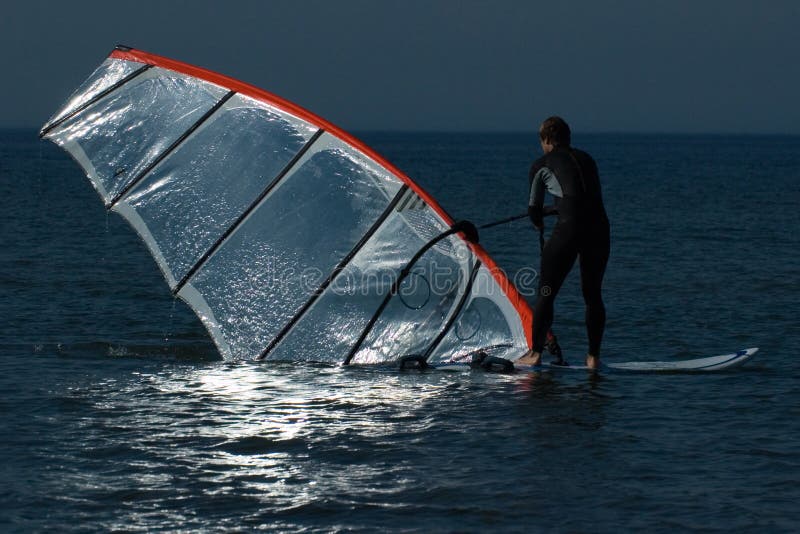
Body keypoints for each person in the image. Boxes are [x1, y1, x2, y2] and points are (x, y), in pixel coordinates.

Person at [516, 117, 610, 369]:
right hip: (599, 230)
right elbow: (579, 196)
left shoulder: (541, 165)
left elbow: (533, 210)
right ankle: (593, 358)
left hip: (569, 231)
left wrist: (539, 220)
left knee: (546, 293)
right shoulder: (587, 159)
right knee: (592, 295)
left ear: (546, 140)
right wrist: (556, 209)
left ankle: (535, 354)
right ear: (568, 137)